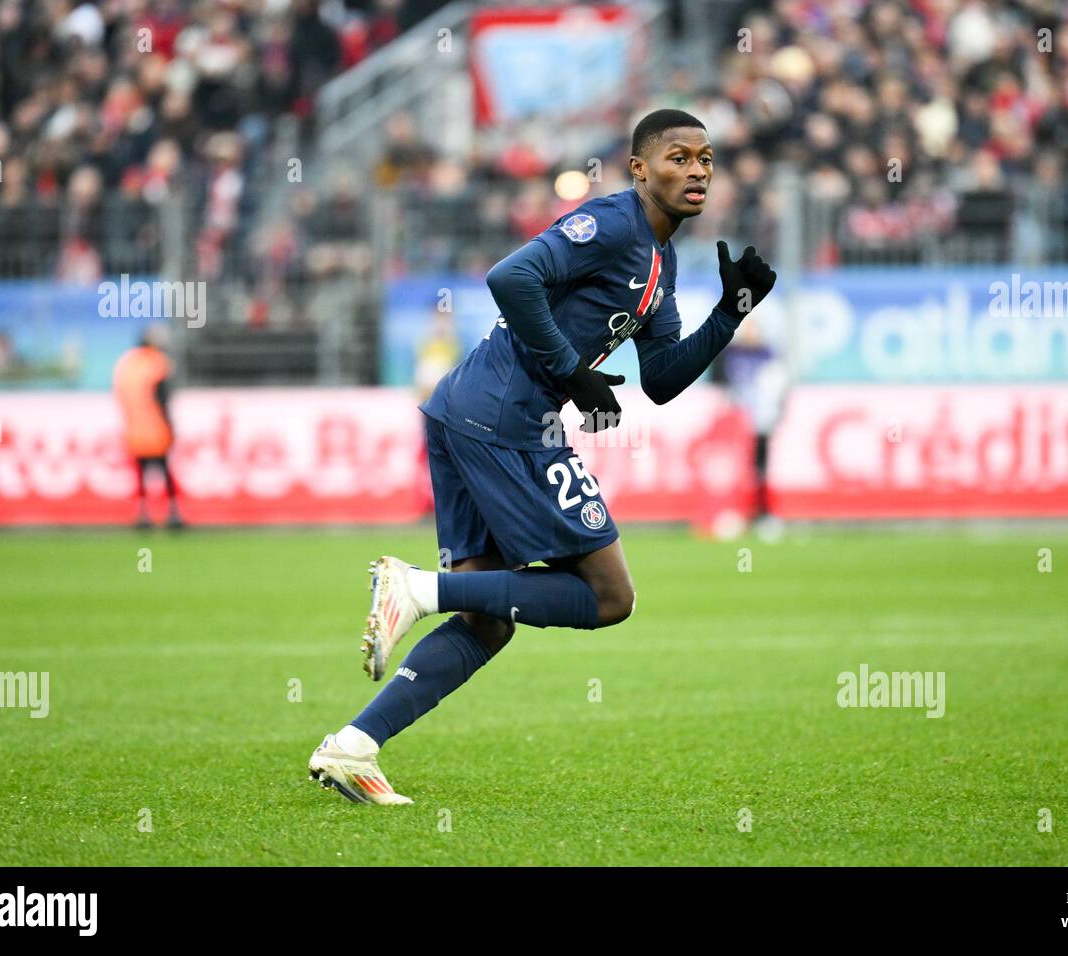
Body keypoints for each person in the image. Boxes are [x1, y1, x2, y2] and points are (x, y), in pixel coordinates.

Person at [308, 109, 776, 804]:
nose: (698, 169)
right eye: (678, 157)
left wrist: (730, 312)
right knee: (611, 596)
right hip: (507, 418)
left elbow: (664, 377)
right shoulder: (614, 224)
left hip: (469, 412)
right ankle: (414, 589)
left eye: (706, 158)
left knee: (488, 621)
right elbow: (511, 276)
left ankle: (352, 746)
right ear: (640, 169)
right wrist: (571, 368)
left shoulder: (661, 259)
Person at [112, 322, 183, 529]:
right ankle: (173, 513)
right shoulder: (156, 363)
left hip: (134, 427)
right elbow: (162, 397)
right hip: (155, 427)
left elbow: (121, 394)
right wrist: (169, 424)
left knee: (141, 474)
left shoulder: (127, 363)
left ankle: (142, 514)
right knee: (164, 471)